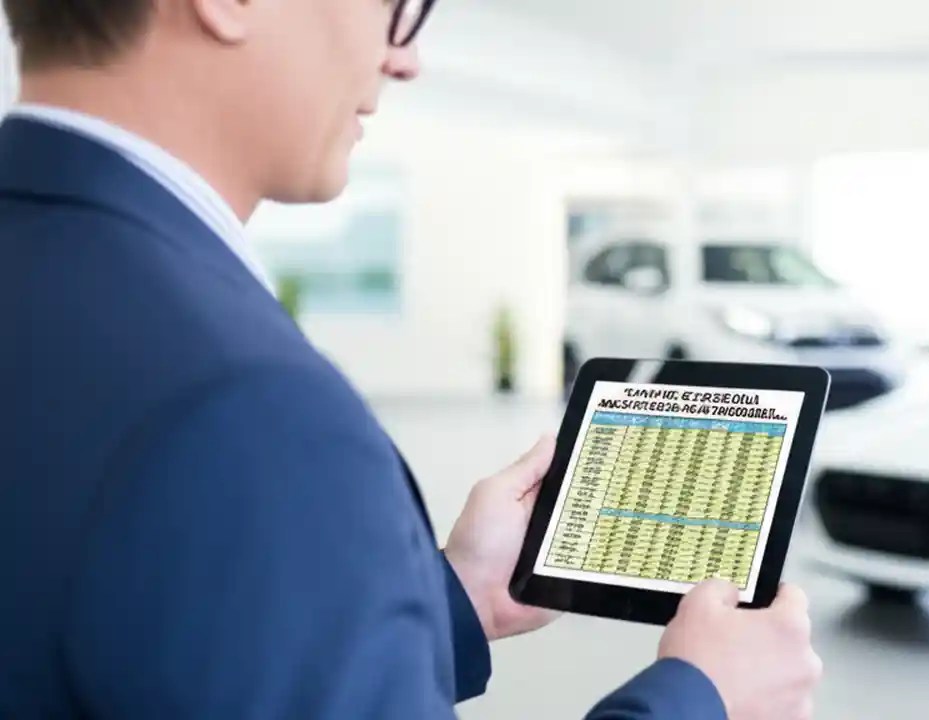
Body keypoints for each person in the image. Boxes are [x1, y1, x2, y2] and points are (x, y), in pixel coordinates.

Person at [0, 1, 823, 719]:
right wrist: (703, 698)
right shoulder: (251, 408)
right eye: (391, 5)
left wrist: (456, 597)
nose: (406, 57)